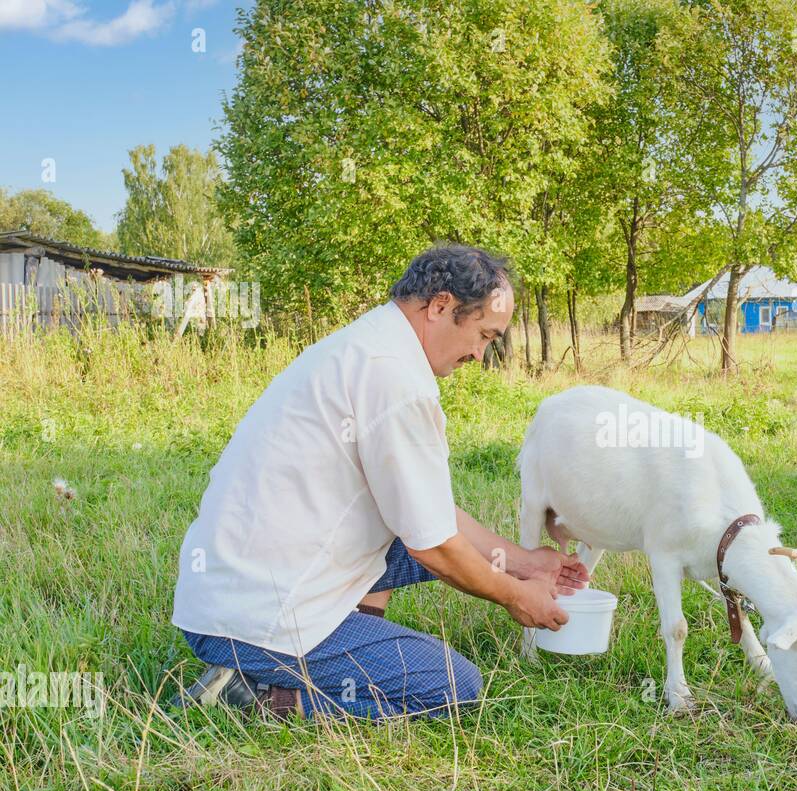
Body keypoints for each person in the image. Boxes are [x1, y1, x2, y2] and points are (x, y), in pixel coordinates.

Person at [171, 243, 587, 719]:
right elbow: (434, 546)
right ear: (441, 306)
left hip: (240, 587)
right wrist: (516, 595)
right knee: (453, 686)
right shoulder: (394, 380)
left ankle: (332, 647)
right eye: (484, 335)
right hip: (257, 616)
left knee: (428, 546)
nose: (480, 353)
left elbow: (431, 514)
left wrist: (527, 565)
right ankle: (261, 698)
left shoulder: (370, 344)